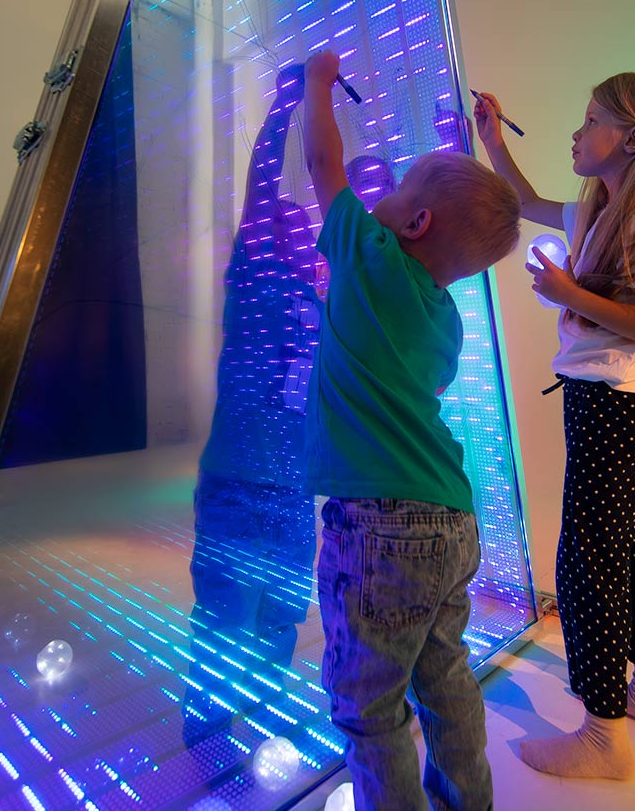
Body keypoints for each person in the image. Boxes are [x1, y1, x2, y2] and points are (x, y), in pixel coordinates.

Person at [473, 73, 635, 781]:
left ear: (634, 139)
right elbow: (525, 202)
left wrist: (569, 292)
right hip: (627, 410)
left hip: (617, 412)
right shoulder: (602, 213)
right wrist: (492, 141)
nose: (576, 135)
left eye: (591, 121)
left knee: (588, 564)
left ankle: (603, 736)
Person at [301, 48, 521, 811]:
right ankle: (468, 800)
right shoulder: (446, 318)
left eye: (395, 192)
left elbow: (323, 164)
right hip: (452, 522)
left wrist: (317, 82)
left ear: (415, 222)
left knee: (369, 707)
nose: (379, 199)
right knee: (445, 675)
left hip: (381, 528)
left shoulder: (370, 258)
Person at [184, 65, 319, 745]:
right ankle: (209, 734)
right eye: (280, 220)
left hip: (294, 490)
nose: (291, 223)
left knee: (280, 615)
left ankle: (261, 721)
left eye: (298, 221)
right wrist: (284, 107)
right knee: (224, 612)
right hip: (238, 482)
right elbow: (261, 187)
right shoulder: (255, 277)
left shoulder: (322, 300)